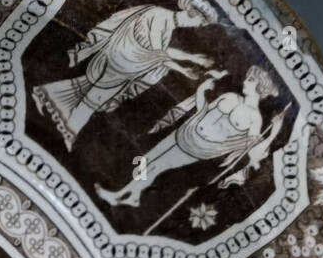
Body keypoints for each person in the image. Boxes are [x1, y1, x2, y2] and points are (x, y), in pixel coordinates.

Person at [32, 0, 216, 149]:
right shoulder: (160, 16)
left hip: (128, 65)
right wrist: (183, 71)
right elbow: (155, 53)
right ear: (192, 12)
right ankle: (68, 134)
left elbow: (161, 51)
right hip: (120, 60)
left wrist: (191, 58)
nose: (197, 27)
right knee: (94, 100)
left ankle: (44, 95)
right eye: (200, 23)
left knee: (88, 89)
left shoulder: (167, 22)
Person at [96, 64, 283, 209]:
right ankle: (134, 196)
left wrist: (274, 131)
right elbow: (202, 111)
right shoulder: (231, 97)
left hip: (200, 148)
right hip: (188, 131)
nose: (245, 81)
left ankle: (120, 195)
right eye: (247, 78)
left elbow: (253, 152)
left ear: (261, 87)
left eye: (250, 80)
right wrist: (201, 90)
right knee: (148, 159)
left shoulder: (255, 119)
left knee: (156, 166)